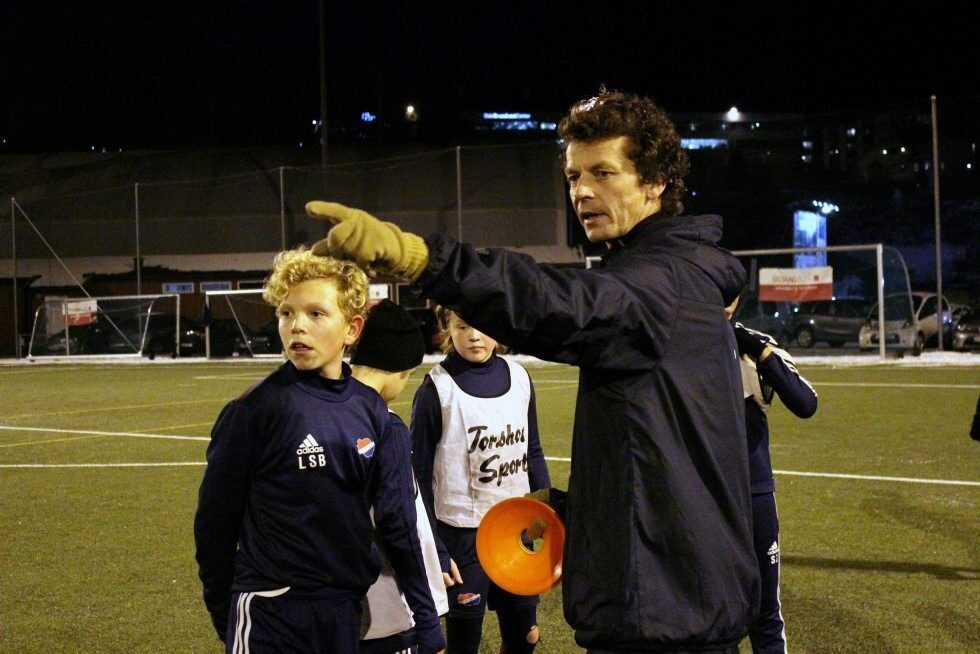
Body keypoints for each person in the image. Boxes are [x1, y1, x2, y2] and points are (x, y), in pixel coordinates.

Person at [304, 89, 759, 652]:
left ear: (656, 181)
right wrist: (581, 509)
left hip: (665, 611)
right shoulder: (675, 273)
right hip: (677, 589)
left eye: (603, 172)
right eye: (573, 176)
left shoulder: (659, 282)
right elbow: (667, 450)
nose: (583, 191)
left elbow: (555, 303)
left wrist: (421, 260)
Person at [193, 250, 443, 654]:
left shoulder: (372, 413)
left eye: (315, 313)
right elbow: (215, 525)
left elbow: (398, 524)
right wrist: (226, 612)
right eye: (286, 313)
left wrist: (425, 614)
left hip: (344, 614)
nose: (297, 327)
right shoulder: (254, 411)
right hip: (270, 611)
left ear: (352, 328)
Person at [410, 306, 551, 654]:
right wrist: (437, 551)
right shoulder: (436, 388)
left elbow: (532, 450)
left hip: (515, 531)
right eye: (462, 326)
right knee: (464, 642)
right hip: (462, 537)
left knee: (526, 635)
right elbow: (418, 476)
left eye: (483, 325)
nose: (474, 335)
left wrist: (547, 515)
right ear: (447, 330)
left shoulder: (520, 377)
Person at [350, 298, 450, 654]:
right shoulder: (385, 425)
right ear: (402, 370)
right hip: (383, 611)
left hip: (321, 608)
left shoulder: (320, 409)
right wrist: (427, 618)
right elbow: (398, 523)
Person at [728, 301, 818, 654]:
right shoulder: (683, 342)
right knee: (717, 615)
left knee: (765, 613)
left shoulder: (753, 342)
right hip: (705, 496)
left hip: (754, 493)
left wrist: (758, 349)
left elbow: (805, 403)